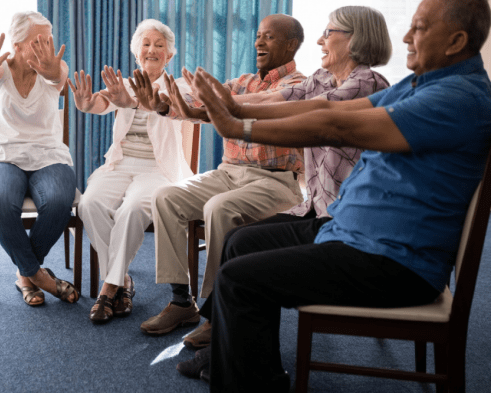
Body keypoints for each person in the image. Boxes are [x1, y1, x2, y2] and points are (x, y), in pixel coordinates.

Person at [190, 0, 491, 390]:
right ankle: (244, 365)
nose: (405, 37)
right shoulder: (422, 84)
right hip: (354, 232)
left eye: (418, 28)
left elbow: (335, 126)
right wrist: (234, 108)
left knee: (237, 280)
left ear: (456, 41)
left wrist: (238, 127)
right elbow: (319, 107)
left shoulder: (456, 98)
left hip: (393, 261)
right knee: (241, 242)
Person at [169, 5, 392, 354]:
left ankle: (226, 346)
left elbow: (317, 117)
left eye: (329, 32)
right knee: (239, 240)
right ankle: (222, 337)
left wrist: (234, 117)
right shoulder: (320, 79)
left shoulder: (368, 83)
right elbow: (273, 98)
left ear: (355, 40)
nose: (319, 40)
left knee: (244, 251)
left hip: (345, 220)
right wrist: (216, 106)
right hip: (316, 209)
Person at [138, 13, 307, 336]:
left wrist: (216, 105)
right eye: (258, 35)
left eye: (269, 37)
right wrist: (161, 105)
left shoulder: (299, 86)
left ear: (291, 45)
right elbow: (196, 102)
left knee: (220, 207)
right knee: (165, 197)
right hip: (228, 173)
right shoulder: (241, 81)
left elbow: (244, 105)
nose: (258, 41)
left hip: (276, 181)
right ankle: (181, 302)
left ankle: (218, 312)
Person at [68, 19, 194, 324]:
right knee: (89, 203)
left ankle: (109, 288)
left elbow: (165, 104)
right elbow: (100, 102)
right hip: (121, 163)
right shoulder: (121, 85)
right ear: (137, 53)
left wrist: (134, 102)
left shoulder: (180, 87)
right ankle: (122, 279)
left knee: (132, 208)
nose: (151, 49)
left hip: (159, 169)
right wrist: (86, 103)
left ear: (169, 56)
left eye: (159, 45)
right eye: (146, 44)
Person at [0, 11, 79, 307]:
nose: (46, 47)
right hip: (2, 157)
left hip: (49, 156)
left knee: (59, 200)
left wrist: (51, 68)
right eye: (38, 41)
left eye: (49, 41)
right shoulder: (0, 71)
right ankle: (41, 277)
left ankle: (25, 275)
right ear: (17, 45)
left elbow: (55, 76)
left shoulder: (54, 68)